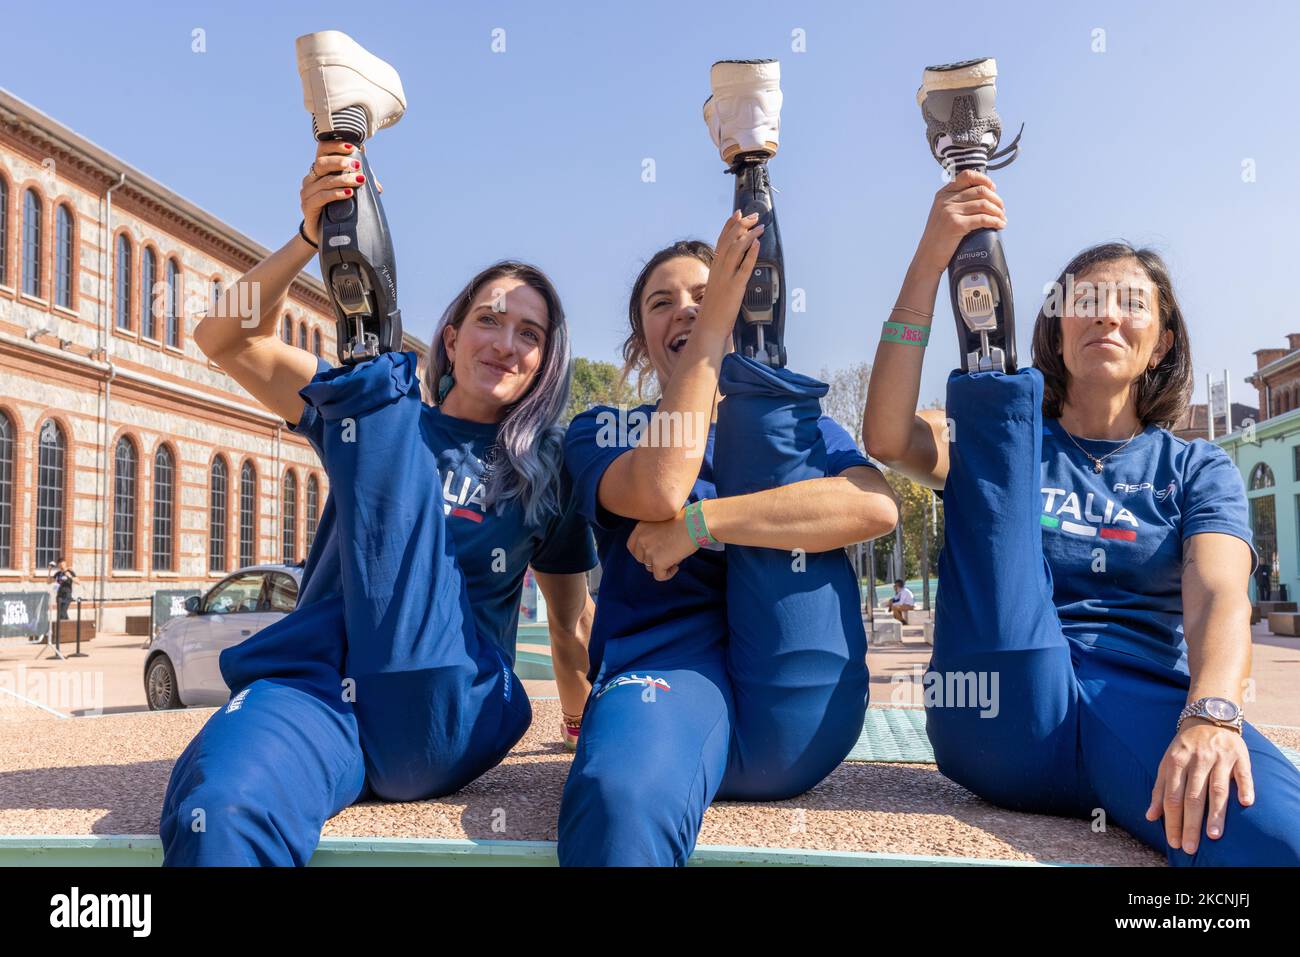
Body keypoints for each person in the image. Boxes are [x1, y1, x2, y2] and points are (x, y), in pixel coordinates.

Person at [159, 136, 596, 866]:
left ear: (544, 365)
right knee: (220, 805)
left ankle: (368, 328)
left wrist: (581, 721)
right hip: (323, 690)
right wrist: (306, 238)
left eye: (531, 334)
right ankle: (363, 316)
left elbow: (566, 624)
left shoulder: (544, 469)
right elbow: (220, 335)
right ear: (450, 339)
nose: (507, 343)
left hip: (442, 702)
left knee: (372, 407)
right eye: (489, 319)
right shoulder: (378, 416)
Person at [863, 167, 1300, 864]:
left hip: (1138, 699)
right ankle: (988, 348)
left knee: (1280, 837)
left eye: (1131, 303)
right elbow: (886, 436)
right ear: (1055, 330)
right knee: (999, 450)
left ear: (1160, 342)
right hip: (1000, 703)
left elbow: (1219, 592)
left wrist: (1213, 711)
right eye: (1085, 300)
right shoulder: (1005, 444)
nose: (1105, 314)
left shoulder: (1195, 468)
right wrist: (931, 258)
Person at [556, 221, 899, 866]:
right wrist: (711, 328)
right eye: (663, 302)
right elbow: (659, 488)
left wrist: (702, 523)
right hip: (667, 673)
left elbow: (872, 506)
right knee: (617, 795)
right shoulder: (605, 428)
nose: (686, 307)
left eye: (707, 294)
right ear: (638, 345)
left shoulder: (796, 432)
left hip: (796, 707)